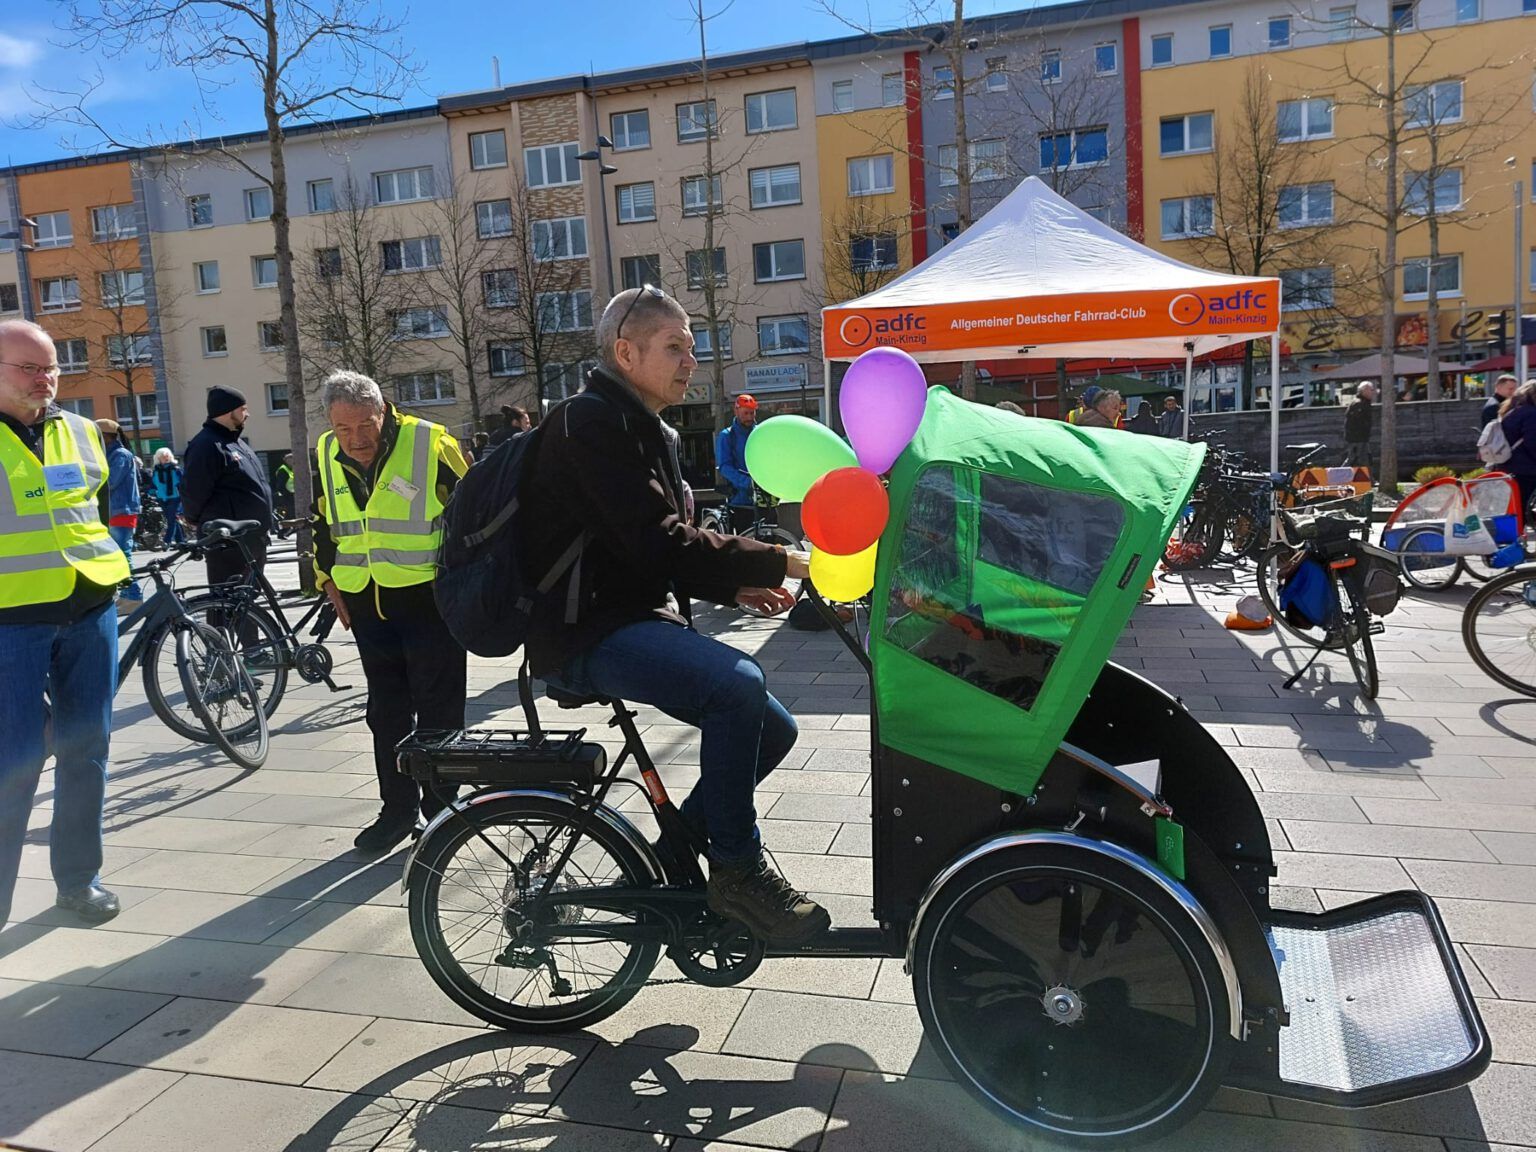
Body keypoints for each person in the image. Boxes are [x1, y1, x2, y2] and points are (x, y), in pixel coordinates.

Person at [520, 286, 828, 944]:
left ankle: (679, 849)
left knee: (773, 730)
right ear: (624, 352)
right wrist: (774, 561)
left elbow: (651, 547)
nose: (690, 358)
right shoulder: (589, 422)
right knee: (737, 687)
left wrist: (733, 590)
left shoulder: (645, 426)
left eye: (691, 346)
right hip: (582, 631)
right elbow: (656, 540)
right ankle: (738, 873)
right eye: (674, 347)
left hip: (625, 615)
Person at [0, 318, 132, 930]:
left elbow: (95, 512)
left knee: (88, 749)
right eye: (28, 367)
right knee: (15, 759)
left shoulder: (81, 433)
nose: (44, 378)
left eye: (50, 366)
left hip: (89, 611)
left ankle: (79, 881)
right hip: (11, 624)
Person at [311, 370, 471, 852]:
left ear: (384, 412)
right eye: (343, 429)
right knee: (385, 712)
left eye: (365, 425)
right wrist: (326, 577)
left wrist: (465, 584)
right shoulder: (324, 450)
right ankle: (397, 810)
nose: (356, 439)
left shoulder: (429, 443)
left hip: (428, 600)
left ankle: (443, 808)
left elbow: (476, 512)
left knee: (438, 710)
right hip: (365, 601)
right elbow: (323, 518)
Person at [182, 385, 274, 594]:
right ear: (227, 411)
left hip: (252, 539)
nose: (247, 414)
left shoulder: (236, 442)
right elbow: (193, 492)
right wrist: (204, 523)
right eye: (243, 409)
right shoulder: (206, 444)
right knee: (226, 604)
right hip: (228, 543)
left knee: (248, 608)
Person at [96, 419, 144, 610]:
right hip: (116, 510)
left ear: (105, 437)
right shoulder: (112, 454)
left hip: (121, 510)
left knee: (122, 555)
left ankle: (133, 596)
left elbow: (109, 482)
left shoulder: (120, 455)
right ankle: (127, 595)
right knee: (119, 555)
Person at [714, 394, 760, 532]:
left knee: (769, 541)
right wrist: (747, 483)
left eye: (752, 413)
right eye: (746, 413)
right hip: (740, 501)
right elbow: (724, 466)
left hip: (763, 499)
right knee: (746, 543)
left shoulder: (760, 433)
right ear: (736, 411)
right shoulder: (727, 435)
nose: (750, 417)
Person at [1498, 382, 1536, 516]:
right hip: (1527, 469)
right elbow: (1533, 442)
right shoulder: (1531, 413)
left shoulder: (1510, 411)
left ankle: (1518, 533)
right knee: (1524, 507)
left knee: (1516, 508)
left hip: (1508, 466)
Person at [151, 447, 185, 546]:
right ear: (158, 458)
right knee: (173, 519)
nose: (166, 458)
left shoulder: (176, 469)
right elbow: (153, 484)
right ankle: (181, 542)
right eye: (163, 456)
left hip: (174, 498)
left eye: (167, 456)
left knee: (171, 520)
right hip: (162, 498)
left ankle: (167, 541)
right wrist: (151, 491)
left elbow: (182, 484)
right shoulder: (156, 471)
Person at [1343, 383, 1374, 468]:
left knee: (1365, 460)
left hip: (1361, 438)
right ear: (1364, 391)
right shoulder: (1359, 404)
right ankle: (1337, 479)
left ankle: (1370, 480)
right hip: (1357, 438)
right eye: (1371, 390)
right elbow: (1354, 423)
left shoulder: (1362, 403)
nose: (1373, 392)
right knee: (1353, 460)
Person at [273, 453, 296, 536]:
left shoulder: (291, 469)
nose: (293, 461)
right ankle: (283, 531)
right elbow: (280, 485)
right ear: (286, 460)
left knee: (290, 514)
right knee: (290, 514)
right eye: (291, 459)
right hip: (287, 495)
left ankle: (285, 531)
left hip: (291, 495)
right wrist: (285, 494)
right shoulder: (283, 469)